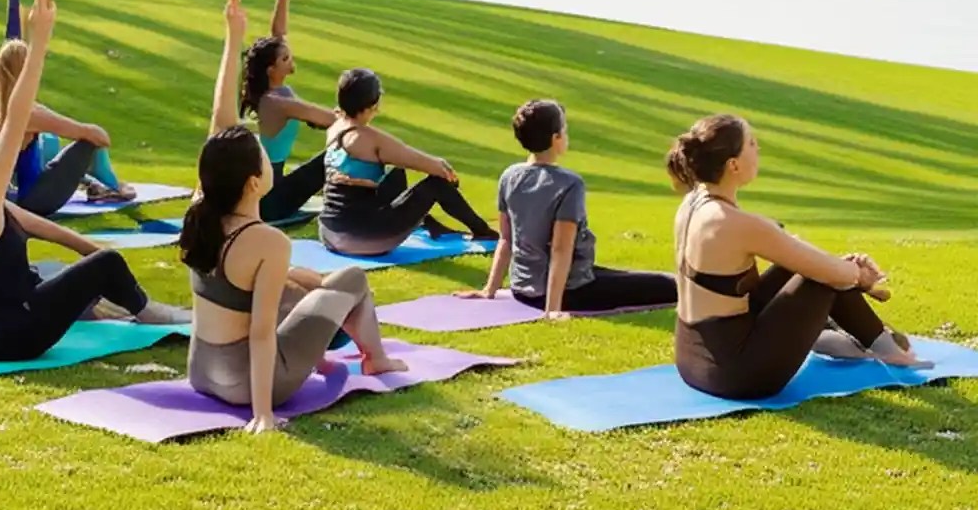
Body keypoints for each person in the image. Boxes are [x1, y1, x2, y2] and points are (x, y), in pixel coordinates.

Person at [181, 0, 406, 434]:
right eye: (263, 160)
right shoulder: (266, 240)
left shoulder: (200, 210)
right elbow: (262, 334)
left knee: (304, 281)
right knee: (353, 279)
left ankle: (344, 351)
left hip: (202, 371)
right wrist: (263, 413)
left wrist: (234, 36)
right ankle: (375, 357)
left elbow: (219, 120)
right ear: (252, 182)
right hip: (247, 383)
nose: (269, 160)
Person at [0, 0, 187, 363]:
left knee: (44, 270)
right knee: (105, 265)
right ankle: (150, 313)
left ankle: (111, 306)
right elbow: (16, 118)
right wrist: (40, 41)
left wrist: (87, 252)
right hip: (5, 338)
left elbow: (45, 228)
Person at [665, 113, 927, 400]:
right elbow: (827, 273)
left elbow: (795, 251)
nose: (758, 150)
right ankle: (891, 352)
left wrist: (839, 267)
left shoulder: (692, 204)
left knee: (813, 263)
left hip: (691, 359)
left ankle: (853, 341)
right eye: (752, 144)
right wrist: (858, 276)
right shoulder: (733, 222)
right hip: (735, 375)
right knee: (822, 276)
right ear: (733, 165)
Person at [454, 99, 677, 318]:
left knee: (633, 277)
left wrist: (489, 290)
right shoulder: (569, 184)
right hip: (569, 291)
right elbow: (561, 250)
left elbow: (506, 239)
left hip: (522, 290)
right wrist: (553, 309)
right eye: (565, 130)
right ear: (556, 138)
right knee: (672, 285)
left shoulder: (510, 176)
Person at [0, 0, 135, 216]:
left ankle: (91, 182)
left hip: (17, 194)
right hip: (36, 201)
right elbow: (99, 136)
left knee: (50, 141)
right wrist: (88, 134)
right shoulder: (29, 114)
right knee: (87, 142)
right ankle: (111, 186)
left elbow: (10, 47)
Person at [317, 68, 500, 256]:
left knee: (397, 174)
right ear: (372, 104)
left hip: (329, 233)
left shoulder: (335, 127)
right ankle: (483, 232)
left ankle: (430, 224)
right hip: (361, 238)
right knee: (437, 185)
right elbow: (435, 167)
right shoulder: (371, 139)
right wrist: (449, 176)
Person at [239, 0, 340, 221]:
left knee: (343, 147)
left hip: (272, 188)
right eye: (286, 58)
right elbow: (325, 118)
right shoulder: (276, 102)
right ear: (272, 69)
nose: (291, 57)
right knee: (341, 150)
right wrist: (349, 117)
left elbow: (278, 32)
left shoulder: (272, 90)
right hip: (271, 200)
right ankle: (354, 207)